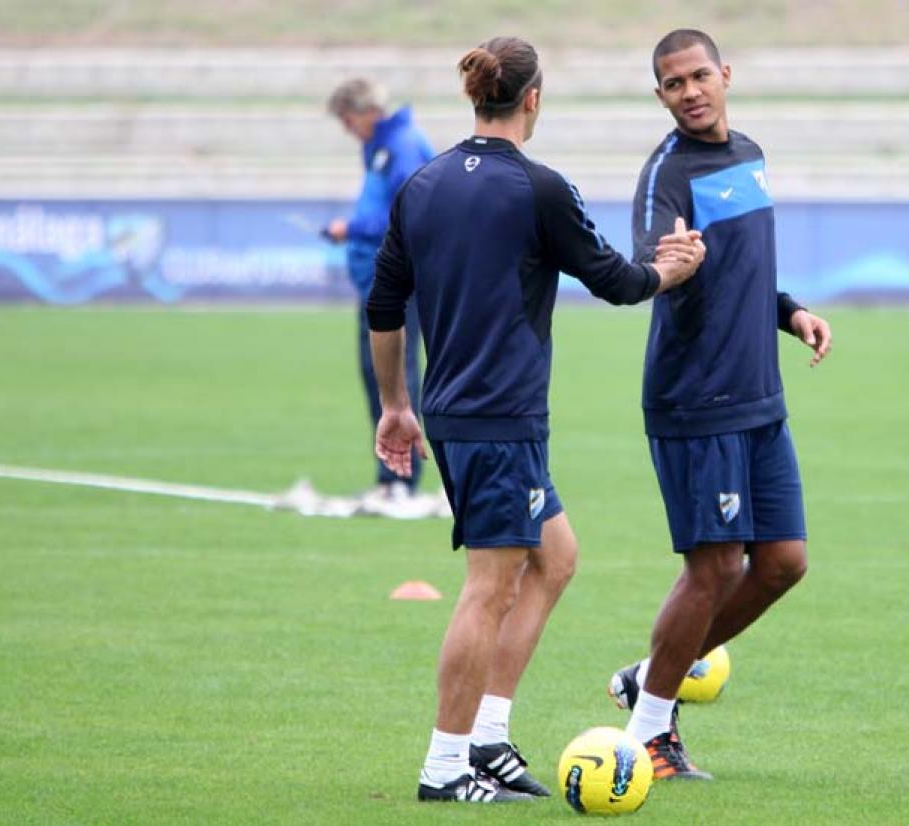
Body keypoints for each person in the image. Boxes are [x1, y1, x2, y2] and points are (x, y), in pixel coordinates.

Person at [366, 36, 706, 804]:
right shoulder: (538, 188)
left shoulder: (422, 184)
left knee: (555, 558)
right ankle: (445, 767)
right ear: (534, 100)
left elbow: (384, 307)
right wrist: (672, 267)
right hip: (498, 419)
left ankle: (486, 737)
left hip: (458, 415)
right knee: (488, 587)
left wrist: (396, 405)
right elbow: (618, 282)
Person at [606, 29, 833, 781]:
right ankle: (649, 733)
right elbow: (650, 264)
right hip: (696, 398)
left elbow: (745, 270)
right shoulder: (665, 174)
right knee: (713, 571)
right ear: (661, 96)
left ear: (725, 74)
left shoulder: (751, 155)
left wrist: (791, 311)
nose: (691, 91)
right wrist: (673, 265)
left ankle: (651, 676)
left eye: (700, 75)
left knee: (781, 564)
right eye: (674, 84)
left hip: (760, 396)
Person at [325, 78, 440, 519]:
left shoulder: (403, 146)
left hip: (398, 281)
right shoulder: (379, 147)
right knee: (378, 376)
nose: (347, 128)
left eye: (348, 119)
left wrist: (351, 230)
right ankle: (389, 476)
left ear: (368, 111)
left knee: (396, 377)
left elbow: (410, 213)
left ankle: (401, 480)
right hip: (376, 280)